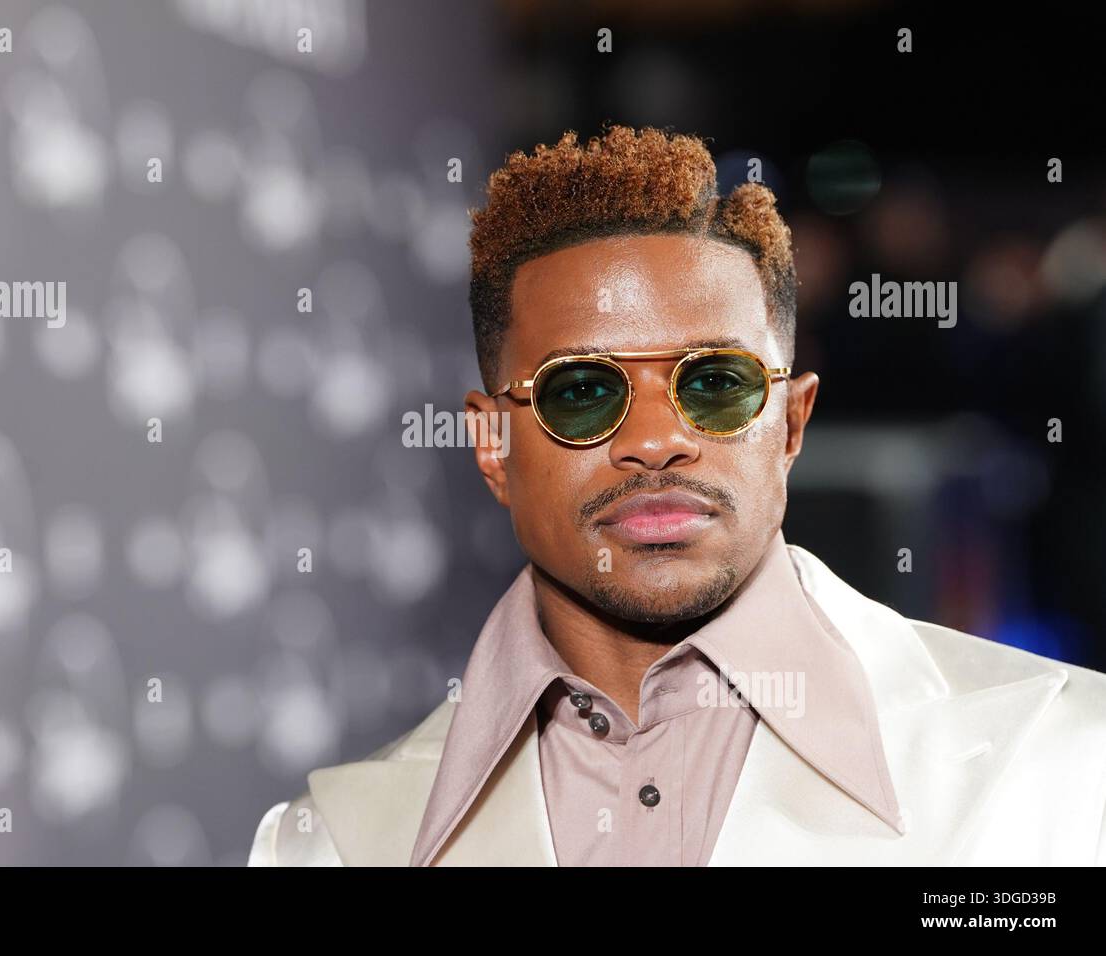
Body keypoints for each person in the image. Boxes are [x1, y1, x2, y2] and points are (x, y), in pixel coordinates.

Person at [248, 124, 1106, 866]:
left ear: (792, 425)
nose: (657, 440)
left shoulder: (1063, 760)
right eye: (581, 391)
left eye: (717, 385)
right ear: (492, 444)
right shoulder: (330, 844)